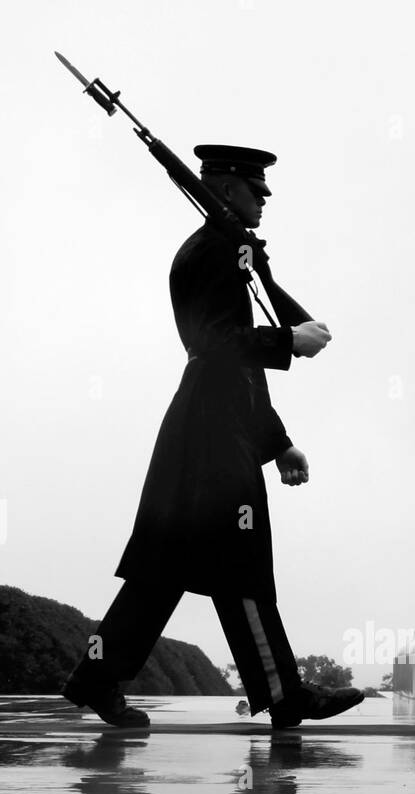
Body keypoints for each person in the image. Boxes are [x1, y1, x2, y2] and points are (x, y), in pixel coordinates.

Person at [63, 143, 364, 729]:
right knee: (241, 564)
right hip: (211, 439)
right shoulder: (211, 254)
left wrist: (278, 443)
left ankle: (96, 679)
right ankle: (284, 695)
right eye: (256, 191)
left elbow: (233, 366)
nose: (264, 200)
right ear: (224, 189)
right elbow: (215, 345)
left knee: (164, 571)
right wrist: (287, 342)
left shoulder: (228, 251)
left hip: (208, 427)